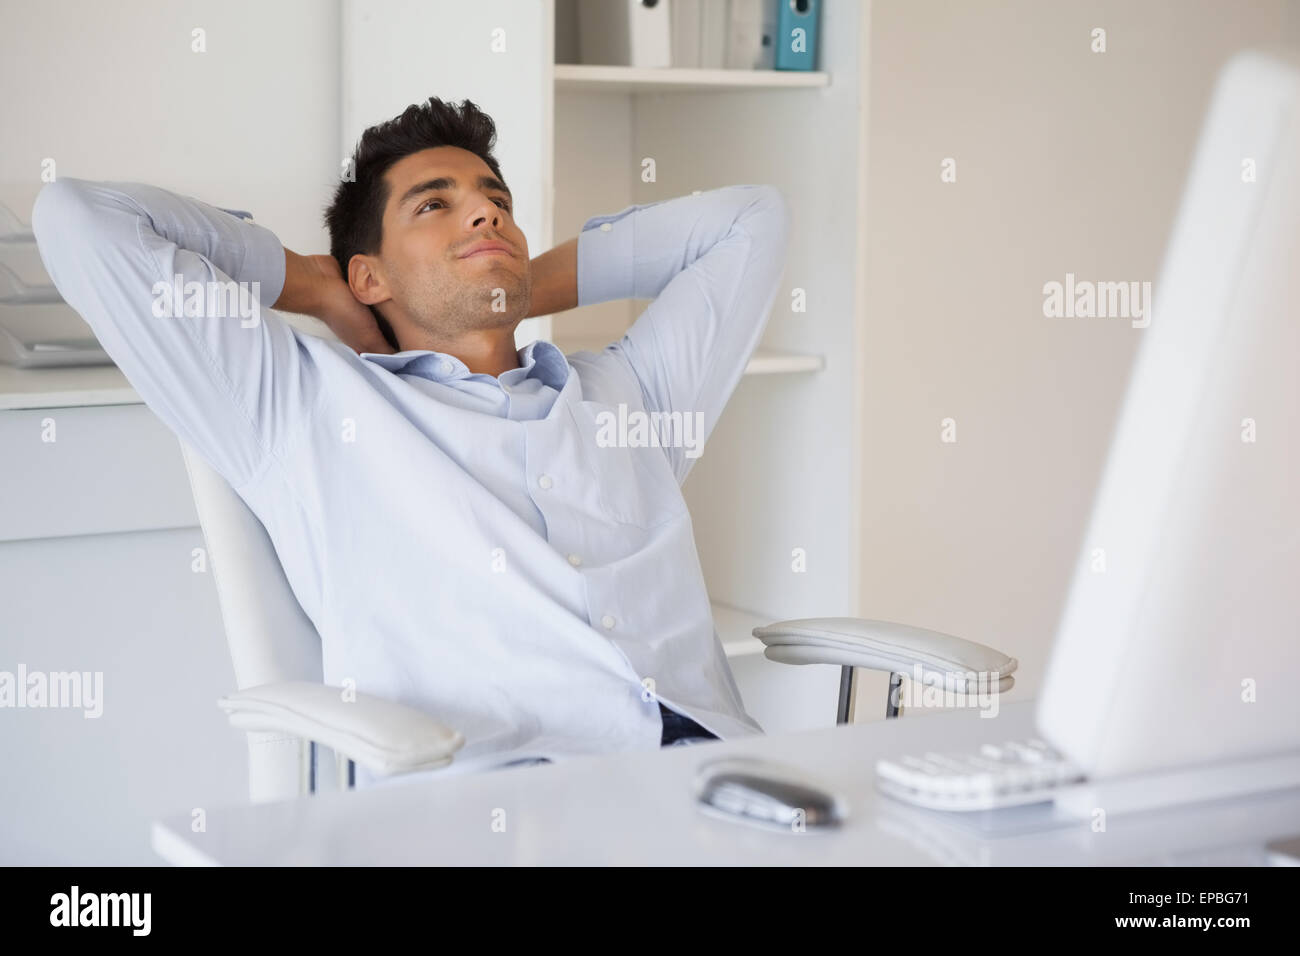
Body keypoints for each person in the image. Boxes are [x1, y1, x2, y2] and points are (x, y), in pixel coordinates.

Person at [31, 96, 790, 784]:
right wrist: (315, 285)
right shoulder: (303, 404)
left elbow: (752, 219)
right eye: (436, 205)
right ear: (369, 276)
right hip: (506, 809)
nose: (487, 215)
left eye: (497, 203)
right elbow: (77, 217)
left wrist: (509, 283)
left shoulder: (629, 396)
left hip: (722, 782)